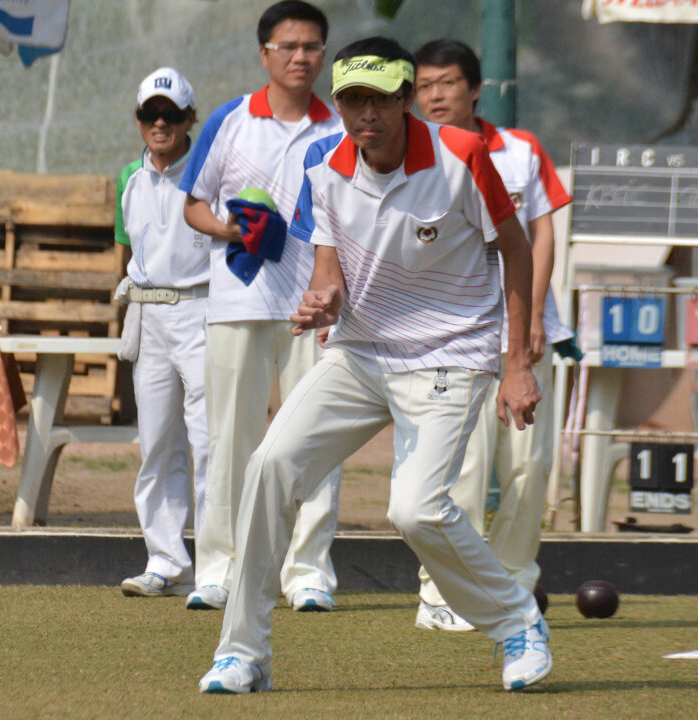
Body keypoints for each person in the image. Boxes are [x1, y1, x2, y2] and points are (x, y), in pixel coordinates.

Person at [197, 36, 551, 694]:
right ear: (340, 102)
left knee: (415, 511)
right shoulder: (327, 167)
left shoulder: (461, 157)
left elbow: (516, 247)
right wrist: (322, 301)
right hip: (360, 353)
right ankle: (242, 652)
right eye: (353, 99)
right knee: (270, 466)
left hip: (449, 353)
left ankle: (517, 622)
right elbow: (330, 273)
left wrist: (516, 361)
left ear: (405, 100)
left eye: (380, 99)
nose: (366, 114)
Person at [178, 1, 344, 613]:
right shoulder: (230, 120)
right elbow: (193, 203)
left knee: (315, 442)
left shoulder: (340, 127)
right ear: (264, 53)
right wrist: (232, 231)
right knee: (230, 441)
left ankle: (308, 573)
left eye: (313, 47)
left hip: (314, 309)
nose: (302, 58)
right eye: (289, 47)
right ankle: (219, 569)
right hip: (237, 302)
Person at [410, 39, 573, 631]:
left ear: (474, 89)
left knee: (529, 469)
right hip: (456, 341)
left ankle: (511, 586)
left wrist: (530, 322)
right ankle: (441, 594)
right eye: (424, 85)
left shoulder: (522, 150)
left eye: (447, 83)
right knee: (461, 472)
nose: (435, 96)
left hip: (528, 337)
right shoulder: (413, 156)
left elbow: (542, 235)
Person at [115, 67, 210, 598]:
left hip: (201, 309)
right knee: (156, 442)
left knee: (208, 441)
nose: (160, 122)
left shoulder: (210, 171)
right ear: (138, 120)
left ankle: (216, 563)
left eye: (171, 114)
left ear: (189, 118)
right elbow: (131, 254)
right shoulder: (131, 178)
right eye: (151, 114)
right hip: (150, 315)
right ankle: (167, 560)